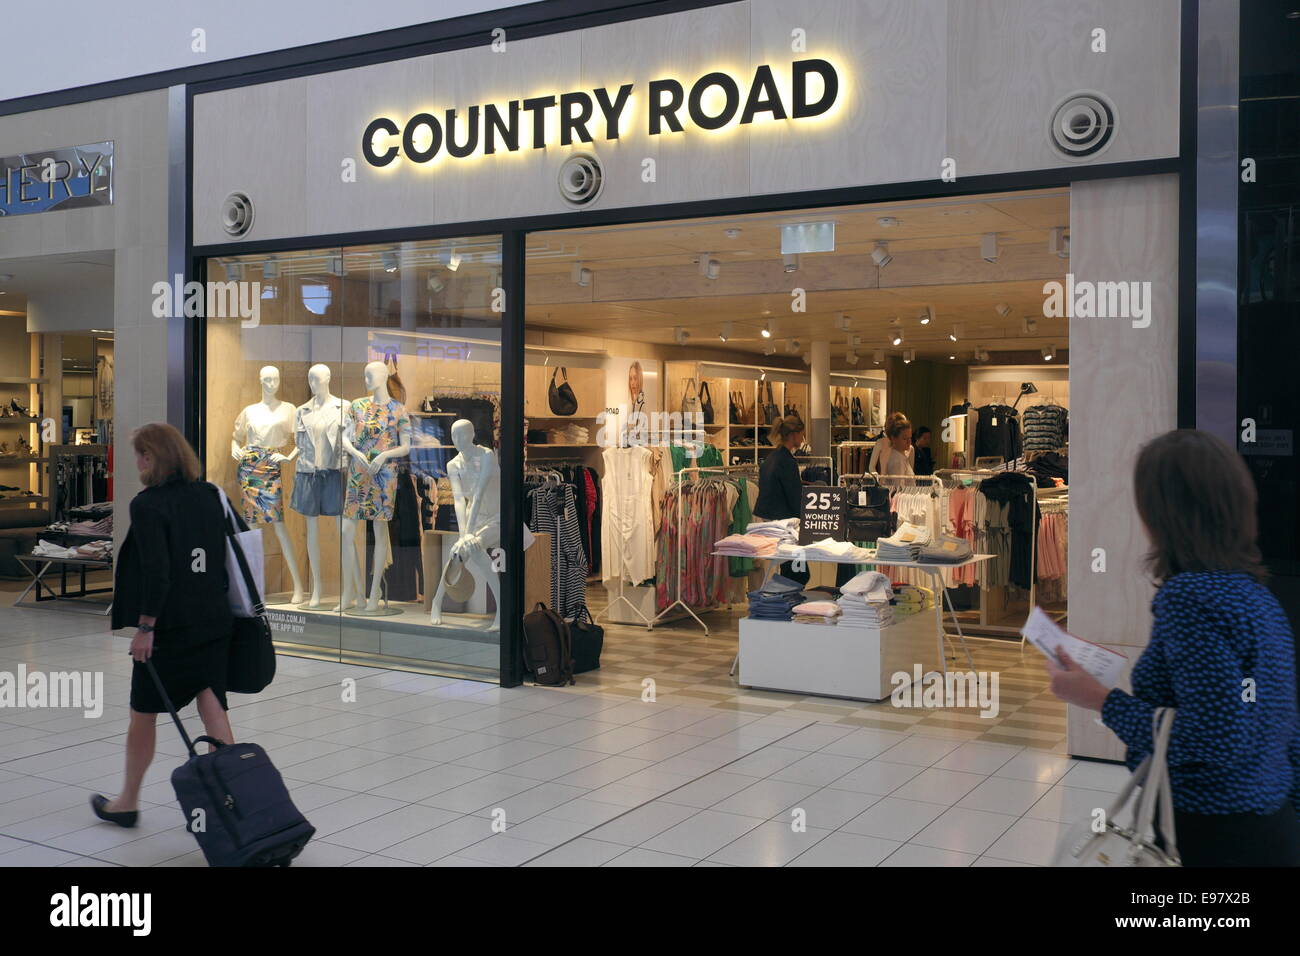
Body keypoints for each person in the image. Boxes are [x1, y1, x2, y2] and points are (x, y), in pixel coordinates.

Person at [1047, 429, 1300, 867]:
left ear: (1163, 514)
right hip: (1270, 824)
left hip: (1210, 830)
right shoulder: (1257, 597)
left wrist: (1100, 700)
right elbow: (1283, 728)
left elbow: (1212, 736)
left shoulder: (1191, 598)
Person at [91, 423, 236, 828]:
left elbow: (157, 573)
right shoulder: (209, 495)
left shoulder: (149, 505)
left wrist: (145, 628)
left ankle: (127, 802)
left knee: (143, 712)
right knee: (213, 707)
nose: (135, 462)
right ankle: (233, 799)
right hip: (212, 619)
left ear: (151, 457)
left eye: (138, 455)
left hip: (170, 629)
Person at [753, 415, 808, 585]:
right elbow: (794, 496)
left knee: (790, 567)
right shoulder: (787, 462)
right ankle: (784, 601)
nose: (803, 438)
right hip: (784, 523)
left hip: (769, 520)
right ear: (793, 435)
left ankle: (782, 599)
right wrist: (805, 521)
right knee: (798, 572)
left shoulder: (771, 458)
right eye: (801, 434)